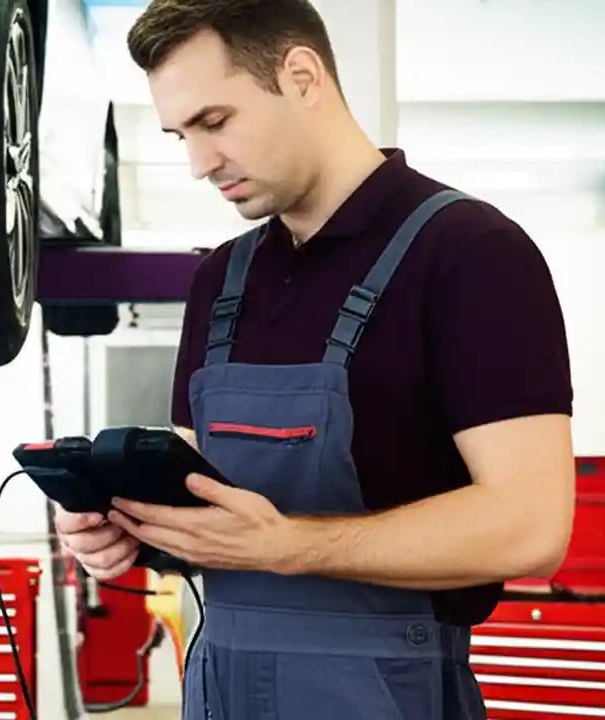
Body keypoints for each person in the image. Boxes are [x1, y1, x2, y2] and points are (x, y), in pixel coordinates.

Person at [50, 1, 576, 718]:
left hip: (389, 691)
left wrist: (292, 546)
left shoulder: (470, 254)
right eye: (181, 134)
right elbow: (209, 497)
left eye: (215, 122)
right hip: (222, 683)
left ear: (302, 77)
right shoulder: (220, 280)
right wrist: (135, 532)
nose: (199, 163)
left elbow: (532, 526)